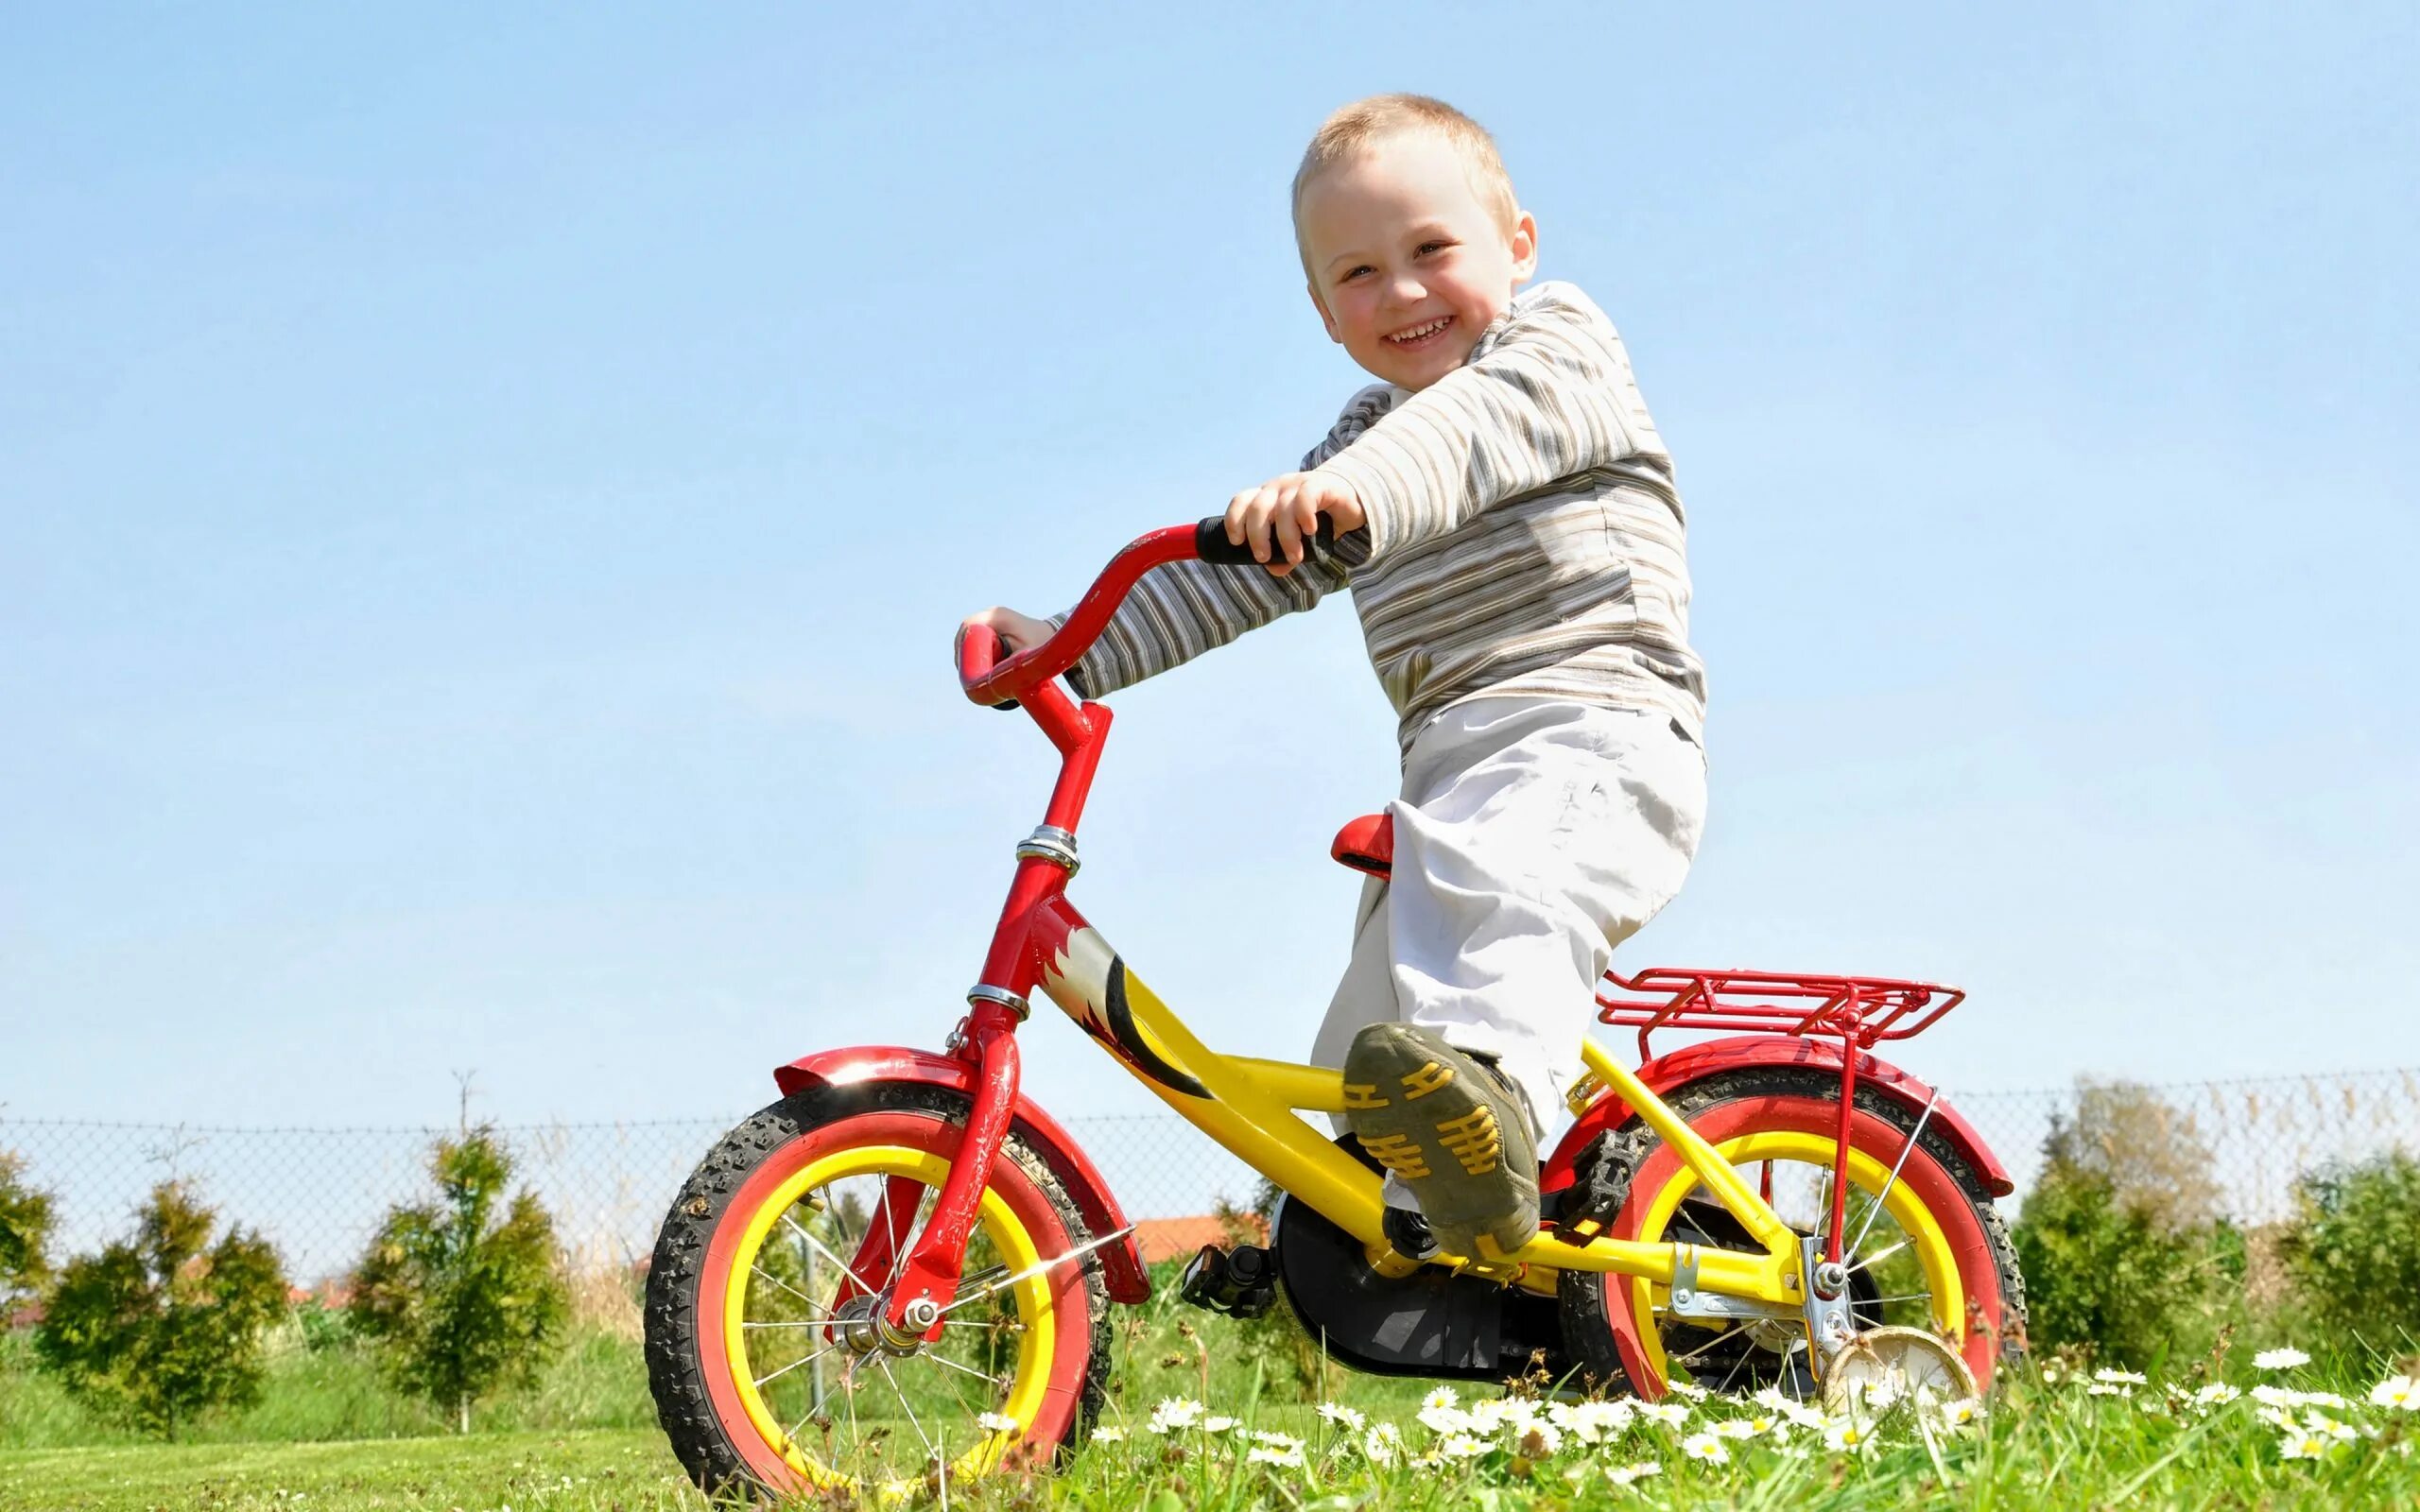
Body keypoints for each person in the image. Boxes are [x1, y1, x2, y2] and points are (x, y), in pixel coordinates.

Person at [961, 94, 1707, 1263]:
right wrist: (1065, 643)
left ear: (1516, 245)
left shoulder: (1558, 348)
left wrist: (1352, 491)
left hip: (1588, 724)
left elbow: (1460, 438)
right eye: (1359, 272)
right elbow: (1227, 581)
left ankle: (1497, 1108)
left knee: (1486, 943)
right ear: (1322, 312)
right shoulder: (1365, 434)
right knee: (1372, 1046)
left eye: (1431, 250)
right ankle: (1346, 1249)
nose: (1402, 292)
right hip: (1449, 764)